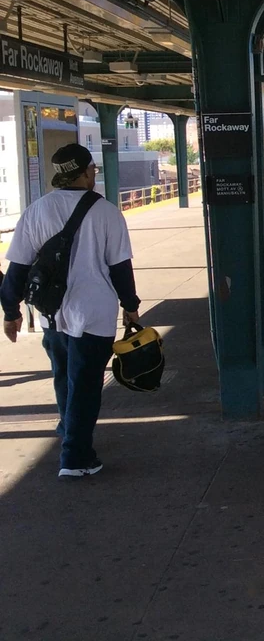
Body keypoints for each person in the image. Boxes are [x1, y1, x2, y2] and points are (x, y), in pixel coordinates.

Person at [0, 143, 140, 479]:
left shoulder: (37, 210)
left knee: (65, 377)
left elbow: (18, 268)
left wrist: (11, 312)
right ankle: (75, 457)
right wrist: (131, 307)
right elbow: (120, 267)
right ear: (84, 171)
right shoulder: (107, 212)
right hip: (94, 313)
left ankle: (69, 432)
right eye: (92, 169)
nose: (94, 174)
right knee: (87, 384)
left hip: (52, 313)